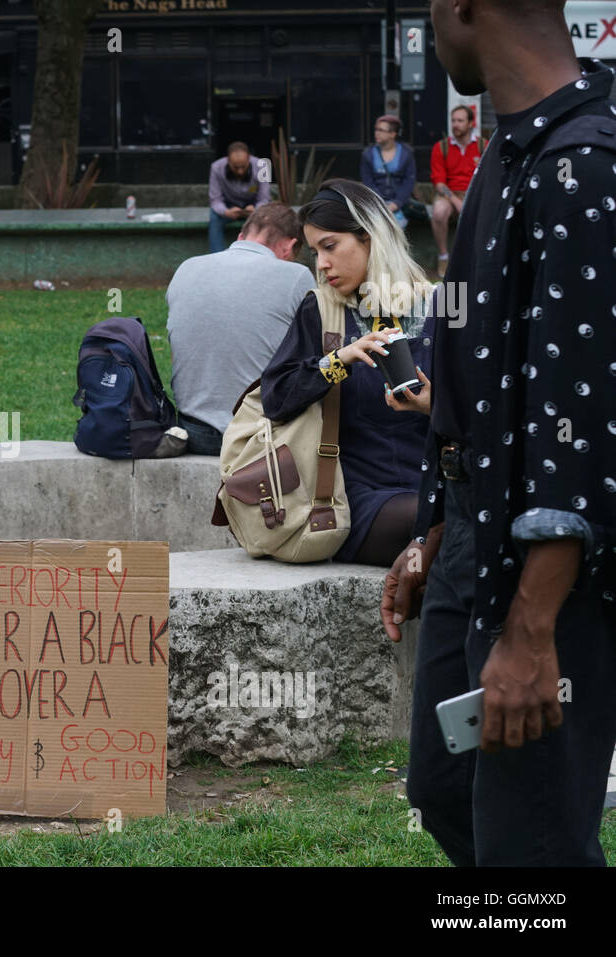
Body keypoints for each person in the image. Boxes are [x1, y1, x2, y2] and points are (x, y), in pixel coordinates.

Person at [384, 0, 616, 867]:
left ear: (465, 7)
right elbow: (478, 373)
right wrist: (436, 528)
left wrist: (534, 627)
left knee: (533, 843)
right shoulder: (510, 153)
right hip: (471, 534)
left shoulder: (583, 165)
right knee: (445, 790)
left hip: (550, 564)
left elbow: (583, 418)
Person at [261, 179, 435, 567]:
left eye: (330, 246)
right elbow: (276, 399)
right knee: (438, 520)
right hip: (356, 496)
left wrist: (433, 405)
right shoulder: (322, 310)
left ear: (371, 238)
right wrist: (338, 360)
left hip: (436, 481)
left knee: (460, 516)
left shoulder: (439, 305)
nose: (320, 264)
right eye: (314, 251)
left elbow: (483, 408)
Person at [165, 202, 314, 455]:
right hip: (258, 437)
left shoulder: (186, 267)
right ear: (289, 246)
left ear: (241, 237)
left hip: (192, 431)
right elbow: (314, 361)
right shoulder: (297, 276)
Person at [429, 105, 484, 278]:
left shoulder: (484, 145)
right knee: (438, 212)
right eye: (453, 120)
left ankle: (477, 258)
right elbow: (439, 182)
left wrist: (471, 200)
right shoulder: (441, 147)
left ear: (470, 123)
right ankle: (444, 256)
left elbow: (488, 177)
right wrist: (456, 200)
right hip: (449, 193)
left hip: (475, 192)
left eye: (460, 121)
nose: (455, 124)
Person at [207, 141, 271, 254]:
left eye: (243, 166)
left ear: (249, 158)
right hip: (229, 205)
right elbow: (215, 200)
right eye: (236, 167)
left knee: (267, 217)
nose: (240, 171)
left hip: (254, 206)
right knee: (214, 216)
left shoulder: (263, 166)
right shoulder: (216, 167)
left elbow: (264, 198)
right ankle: (217, 256)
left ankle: (261, 255)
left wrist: (256, 210)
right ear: (228, 161)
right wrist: (226, 211)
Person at [360, 114, 417, 229]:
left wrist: (397, 203)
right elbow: (368, 181)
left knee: (397, 228)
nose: (377, 133)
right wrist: (380, 204)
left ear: (393, 134)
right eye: (376, 129)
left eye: (381, 130)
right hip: (375, 203)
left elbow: (409, 181)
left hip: (400, 203)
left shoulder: (406, 153)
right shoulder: (368, 154)